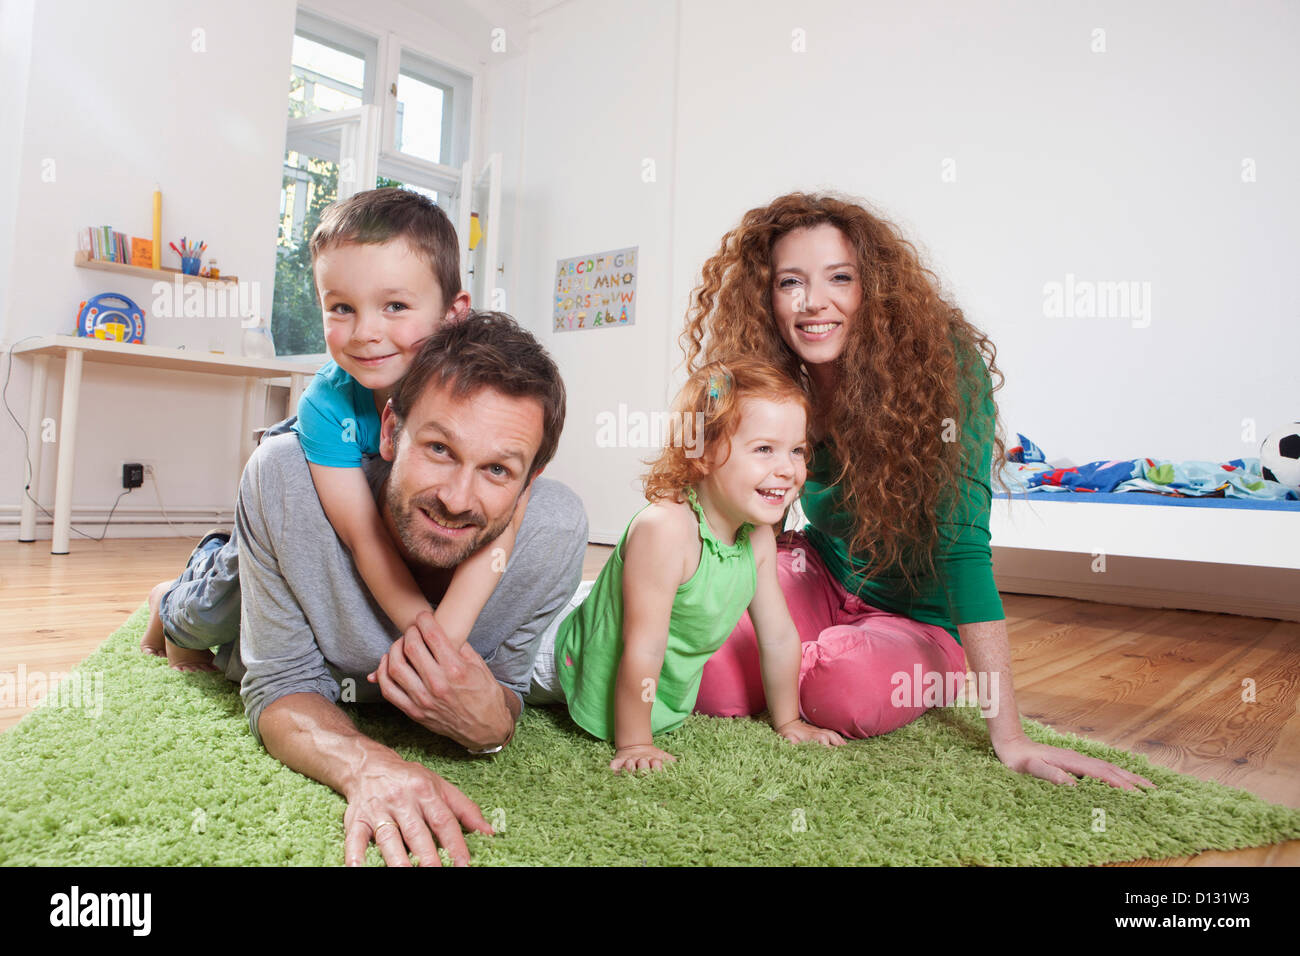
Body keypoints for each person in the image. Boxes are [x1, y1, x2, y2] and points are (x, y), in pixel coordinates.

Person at [680, 191, 1153, 791]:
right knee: (709, 672)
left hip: (920, 617)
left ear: (873, 288)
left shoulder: (943, 369)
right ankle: (808, 648)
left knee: (839, 693)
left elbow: (960, 549)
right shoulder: (778, 372)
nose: (812, 302)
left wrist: (1008, 736)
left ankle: (851, 661)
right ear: (766, 295)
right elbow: (750, 505)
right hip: (824, 571)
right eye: (789, 282)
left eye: (840, 278)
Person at [162, 313, 587, 866]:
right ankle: (168, 594)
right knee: (199, 619)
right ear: (391, 431)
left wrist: (494, 726)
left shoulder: (554, 532)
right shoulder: (288, 477)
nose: (458, 499)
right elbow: (278, 684)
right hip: (241, 574)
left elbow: (507, 686)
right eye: (439, 449)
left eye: (498, 471)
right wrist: (367, 764)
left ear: (531, 479)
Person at [140, 187, 511, 670]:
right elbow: (363, 538)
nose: (365, 332)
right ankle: (169, 599)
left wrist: (444, 641)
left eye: (395, 306)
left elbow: (508, 516)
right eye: (341, 308)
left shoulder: (482, 396)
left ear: (453, 313)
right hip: (299, 505)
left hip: (373, 515)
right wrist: (427, 637)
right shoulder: (327, 404)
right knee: (215, 611)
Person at [527, 358, 844, 773]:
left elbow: (780, 637)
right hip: (553, 653)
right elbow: (644, 645)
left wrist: (789, 720)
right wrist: (635, 743)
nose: (787, 469)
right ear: (704, 453)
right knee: (495, 658)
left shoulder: (759, 538)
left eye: (797, 450)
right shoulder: (667, 530)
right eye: (764, 449)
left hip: (626, 607)